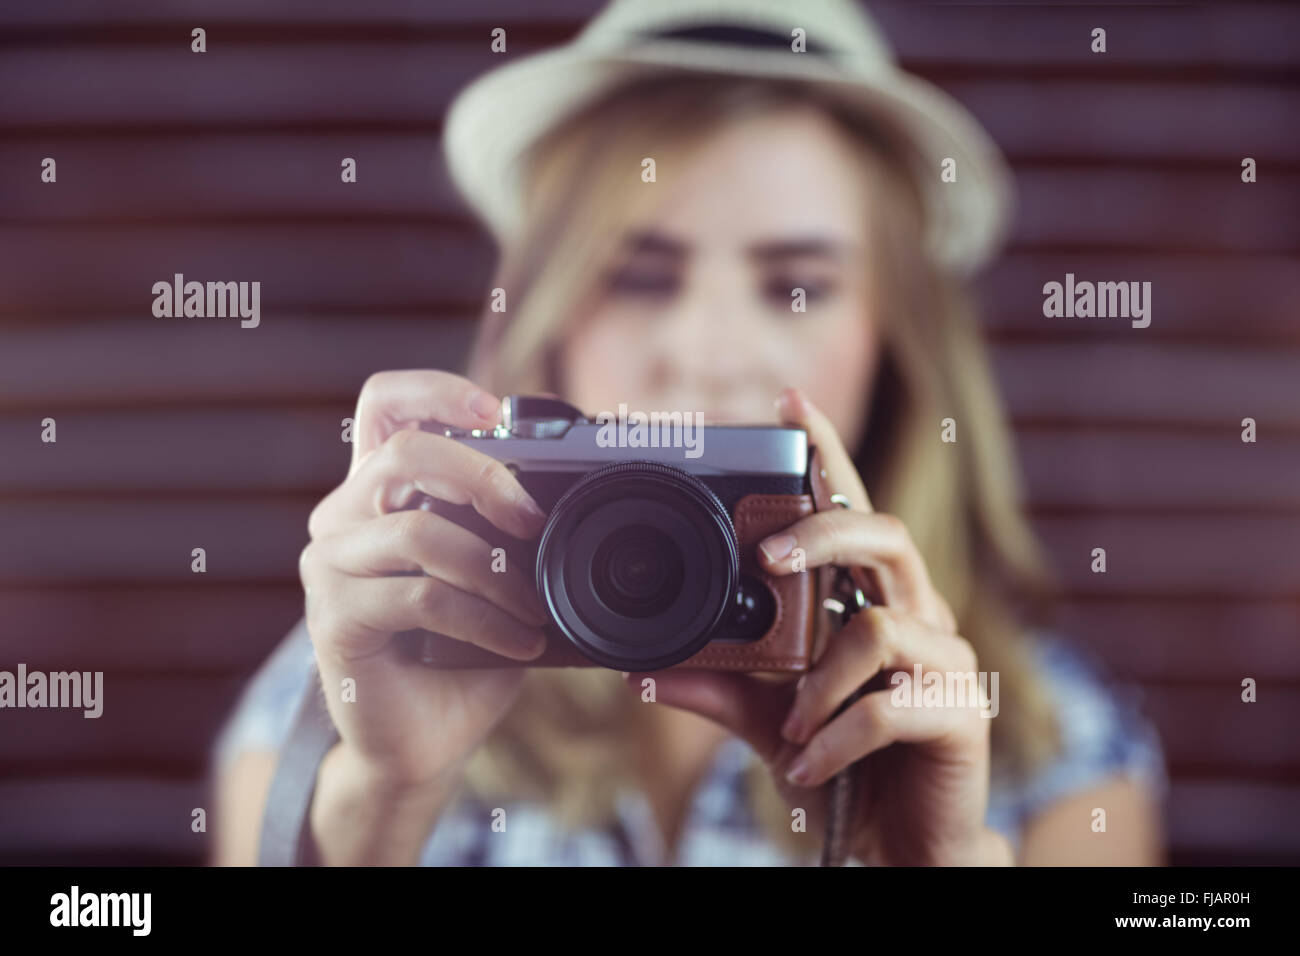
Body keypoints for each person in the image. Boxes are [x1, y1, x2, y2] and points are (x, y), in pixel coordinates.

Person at [211, 0, 1166, 866]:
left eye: (796, 284)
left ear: (895, 337)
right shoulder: (356, 670)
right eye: (637, 277)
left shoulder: (1055, 743)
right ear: (546, 319)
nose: (706, 354)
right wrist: (383, 800)